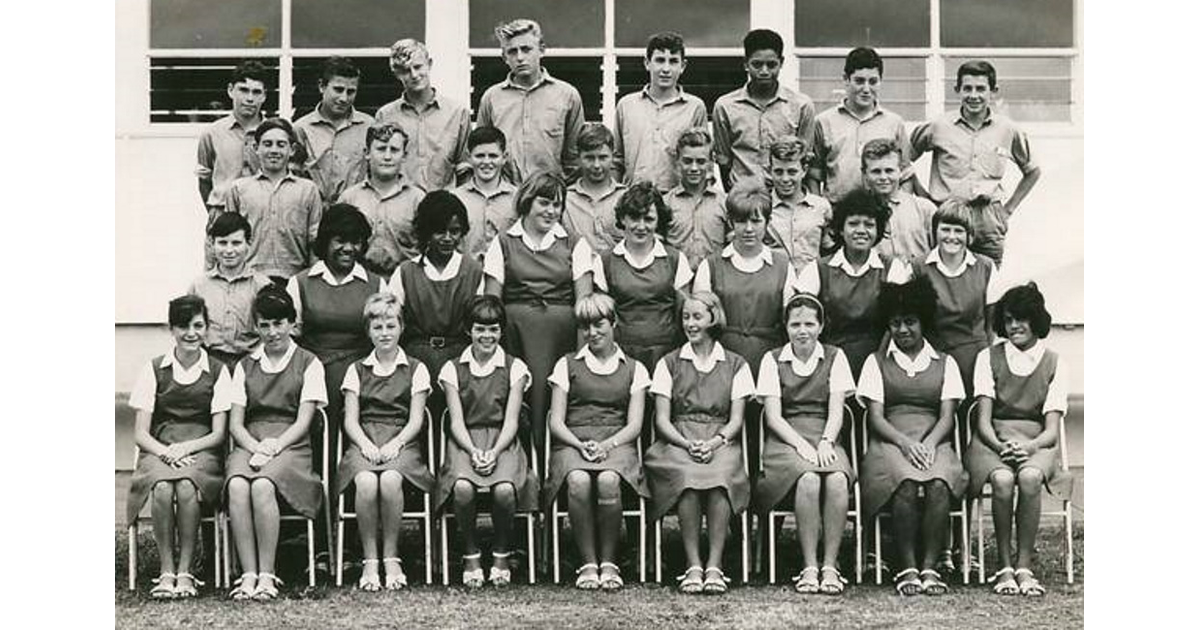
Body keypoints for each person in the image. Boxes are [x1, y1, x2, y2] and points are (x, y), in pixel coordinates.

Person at [857, 277, 968, 596]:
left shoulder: (945, 363)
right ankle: (906, 567)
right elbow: (875, 417)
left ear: (923, 322)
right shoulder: (875, 362)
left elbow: (947, 416)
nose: (903, 330)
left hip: (934, 437)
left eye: (910, 322)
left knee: (937, 482)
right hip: (890, 440)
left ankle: (930, 568)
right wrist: (906, 444)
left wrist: (929, 445)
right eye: (895, 323)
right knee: (904, 481)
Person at [965, 283, 1072, 597]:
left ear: (1036, 320)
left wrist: (1029, 447)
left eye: (1022, 319)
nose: (1014, 326)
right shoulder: (989, 357)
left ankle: (1024, 565)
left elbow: (1052, 429)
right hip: (992, 440)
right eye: (1009, 319)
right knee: (1000, 479)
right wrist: (1000, 447)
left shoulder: (1054, 363)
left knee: (1028, 477)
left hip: (1035, 441)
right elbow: (982, 420)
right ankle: (1004, 565)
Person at [643, 291, 753, 594]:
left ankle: (715, 565)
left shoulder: (736, 364)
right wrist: (686, 443)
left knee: (719, 478)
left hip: (720, 440)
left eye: (697, 317)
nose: (690, 324)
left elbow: (736, 420)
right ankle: (693, 565)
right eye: (686, 317)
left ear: (713, 318)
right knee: (687, 478)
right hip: (677, 441)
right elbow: (662, 419)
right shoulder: (669, 363)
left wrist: (716, 443)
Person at [224, 286, 328, 601]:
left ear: (291, 324)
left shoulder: (309, 362)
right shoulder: (244, 365)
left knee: (263, 485)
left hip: (290, 444)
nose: (272, 332)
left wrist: (275, 446)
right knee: (239, 485)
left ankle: (268, 574)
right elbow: (236, 425)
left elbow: (304, 420)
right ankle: (248, 573)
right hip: (251, 441)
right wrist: (255, 447)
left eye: (279, 323)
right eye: (265, 325)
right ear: (256, 326)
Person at [544, 294, 652, 590]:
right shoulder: (566, 365)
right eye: (586, 326)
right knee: (578, 480)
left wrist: (608, 445)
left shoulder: (634, 368)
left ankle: (609, 561)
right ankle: (588, 562)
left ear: (614, 323)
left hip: (616, 443)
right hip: (573, 442)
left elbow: (635, 424)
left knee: (607, 480)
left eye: (599, 324)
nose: (592, 333)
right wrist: (579, 445)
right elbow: (555, 421)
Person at [127, 296, 232, 598]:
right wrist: (165, 452)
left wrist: (185, 449)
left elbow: (219, 433)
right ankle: (166, 570)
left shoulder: (217, 370)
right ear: (170, 328)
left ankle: (186, 571)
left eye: (198, 326)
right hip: (160, 447)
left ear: (207, 329)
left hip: (201, 448)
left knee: (186, 487)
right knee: (161, 487)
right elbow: (140, 433)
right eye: (183, 326)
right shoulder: (154, 369)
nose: (191, 333)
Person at [483, 171, 595, 451]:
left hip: (561, 336)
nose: (551, 211)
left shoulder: (574, 243)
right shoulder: (504, 242)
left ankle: (553, 462)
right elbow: (491, 302)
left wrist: (581, 352)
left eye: (557, 205)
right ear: (527, 202)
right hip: (515, 335)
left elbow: (584, 302)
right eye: (544, 203)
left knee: (555, 398)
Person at [754, 294, 856, 595]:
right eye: (795, 323)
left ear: (821, 326)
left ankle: (830, 565)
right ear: (785, 327)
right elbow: (773, 417)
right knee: (808, 478)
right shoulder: (772, 359)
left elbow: (837, 411)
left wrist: (826, 442)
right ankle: (809, 566)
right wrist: (802, 446)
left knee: (837, 478)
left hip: (825, 433)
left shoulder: (835, 356)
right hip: (785, 438)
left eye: (809, 323)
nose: (802, 331)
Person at [434, 295, 540, 587]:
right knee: (463, 489)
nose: (487, 336)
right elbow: (455, 421)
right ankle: (470, 553)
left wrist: (493, 452)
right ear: (469, 330)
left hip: (503, 440)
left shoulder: (515, 367)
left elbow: (512, 420)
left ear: (501, 331)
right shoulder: (452, 369)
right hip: (465, 440)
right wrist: (472, 450)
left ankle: (502, 552)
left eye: (493, 329)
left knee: (505, 490)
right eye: (480, 329)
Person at [693, 179, 799, 470]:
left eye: (756, 220)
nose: (748, 229)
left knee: (764, 436)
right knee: (729, 437)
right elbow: (700, 323)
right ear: (731, 222)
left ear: (767, 221)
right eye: (741, 221)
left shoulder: (782, 265)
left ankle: (763, 508)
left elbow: (792, 319)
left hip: (768, 360)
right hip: (724, 362)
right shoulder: (712, 265)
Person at [334, 293, 436, 591]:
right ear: (368, 331)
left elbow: (417, 419)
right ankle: (369, 560)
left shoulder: (416, 368)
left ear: (401, 327)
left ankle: (391, 556)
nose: (385, 333)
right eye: (377, 327)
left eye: (390, 325)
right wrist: (364, 443)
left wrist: (397, 443)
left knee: (391, 479)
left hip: (401, 439)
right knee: (365, 482)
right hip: (365, 437)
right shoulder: (356, 370)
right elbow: (350, 418)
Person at [910, 60, 1041, 266]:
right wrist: (923, 197)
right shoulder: (938, 126)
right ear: (957, 90)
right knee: (943, 279)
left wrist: (1007, 210)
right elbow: (902, 160)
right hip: (948, 216)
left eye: (981, 89)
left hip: (988, 219)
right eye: (967, 88)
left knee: (987, 282)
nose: (974, 95)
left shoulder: (1007, 129)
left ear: (993, 91)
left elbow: (1032, 171)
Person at [796, 187, 907, 379]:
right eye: (853, 224)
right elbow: (801, 323)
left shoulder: (892, 269)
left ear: (878, 229)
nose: (861, 231)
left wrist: (878, 365)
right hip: (829, 367)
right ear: (840, 228)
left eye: (869, 225)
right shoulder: (817, 270)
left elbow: (898, 325)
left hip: (882, 365)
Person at [594, 181, 692, 377]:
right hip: (620, 355)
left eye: (648, 219)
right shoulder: (605, 260)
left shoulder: (675, 259)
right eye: (634, 218)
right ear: (623, 218)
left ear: (658, 221)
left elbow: (684, 313)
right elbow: (599, 318)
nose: (641, 226)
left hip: (666, 355)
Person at [390, 190, 485, 383]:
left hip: (461, 360)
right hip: (416, 361)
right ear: (426, 232)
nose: (448, 238)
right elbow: (391, 321)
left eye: (455, 231)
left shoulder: (473, 272)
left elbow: (480, 323)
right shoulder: (406, 272)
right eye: (440, 231)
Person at [477, 18, 584, 181]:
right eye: (512, 51)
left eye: (526, 49)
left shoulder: (567, 95)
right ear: (504, 57)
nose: (519, 57)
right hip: (505, 195)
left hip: (549, 197)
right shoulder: (492, 98)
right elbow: (481, 150)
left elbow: (574, 158)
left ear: (541, 50)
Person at [911, 198, 997, 398]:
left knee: (971, 413)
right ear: (935, 232)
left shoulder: (985, 267)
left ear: (970, 236)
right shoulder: (917, 268)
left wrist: (986, 360)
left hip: (973, 355)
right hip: (931, 355)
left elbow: (991, 322)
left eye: (959, 231)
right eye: (945, 229)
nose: (951, 236)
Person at [223, 118, 324, 283]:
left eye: (281, 144)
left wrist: (311, 282)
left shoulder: (308, 189)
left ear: (291, 150)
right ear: (256, 148)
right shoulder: (239, 189)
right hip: (249, 277)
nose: (274, 150)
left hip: (295, 278)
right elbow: (228, 239)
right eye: (268, 144)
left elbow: (314, 240)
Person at [713, 28, 816, 190]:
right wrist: (735, 196)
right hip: (742, 196)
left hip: (785, 197)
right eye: (757, 64)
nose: (764, 71)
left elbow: (805, 160)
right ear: (746, 63)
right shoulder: (725, 106)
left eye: (771, 65)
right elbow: (724, 161)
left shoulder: (801, 105)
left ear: (781, 62)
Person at [807, 47, 912, 203]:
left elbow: (905, 175)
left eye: (873, 82)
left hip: (882, 212)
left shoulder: (894, 123)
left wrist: (898, 209)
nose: (866, 89)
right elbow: (814, 175)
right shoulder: (824, 122)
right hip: (837, 212)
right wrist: (819, 210)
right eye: (859, 81)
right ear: (846, 79)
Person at [613, 31, 707, 192]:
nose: (666, 69)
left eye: (673, 62)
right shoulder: (626, 105)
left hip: (677, 201)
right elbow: (616, 160)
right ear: (647, 63)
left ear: (683, 66)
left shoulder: (695, 108)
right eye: (660, 60)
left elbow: (702, 160)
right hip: (633, 202)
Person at [375, 38, 471, 192]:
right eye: (405, 70)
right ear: (397, 74)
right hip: (399, 202)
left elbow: (465, 167)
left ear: (429, 64)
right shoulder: (385, 116)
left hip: (444, 205)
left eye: (418, 67)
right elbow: (379, 167)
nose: (414, 75)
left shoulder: (457, 113)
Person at [336, 122, 426, 277]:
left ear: (404, 155)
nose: (387, 156)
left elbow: (426, 248)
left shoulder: (417, 199)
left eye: (394, 150)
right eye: (381, 149)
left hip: (406, 282)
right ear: (367, 153)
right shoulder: (350, 198)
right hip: (360, 281)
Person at [188, 213, 273, 366]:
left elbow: (270, 329)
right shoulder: (199, 286)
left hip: (251, 362)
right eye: (222, 243)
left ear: (248, 244)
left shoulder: (262, 285)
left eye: (236, 243)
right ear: (212, 244)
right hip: (210, 361)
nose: (229, 250)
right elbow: (190, 327)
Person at [294, 56, 373, 204]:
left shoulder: (369, 126)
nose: (344, 98)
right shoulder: (301, 129)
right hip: (314, 212)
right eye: (338, 90)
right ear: (321, 86)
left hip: (357, 211)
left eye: (351, 92)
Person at [196, 60, 266, 216]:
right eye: (243, 90)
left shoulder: (273, 133)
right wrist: (216, 213)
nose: (249, 98)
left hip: (262, 215)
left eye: (256, 92)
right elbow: (204, 181)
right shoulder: (212, 133)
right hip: (223, 213)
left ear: (264, 96)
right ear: (230, 90)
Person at [763, 135, 833, 271]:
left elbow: (828, 251)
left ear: (804, 170)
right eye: (778, 172)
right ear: (770, 171)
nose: (785, 179)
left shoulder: (821, 207)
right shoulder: (762, 206)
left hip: (812, 285)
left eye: (792, 172)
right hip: (775, 284)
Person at [861, 138, 936, 263]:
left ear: (900, 171)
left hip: (919, 279)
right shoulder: (857, 212)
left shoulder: (925, 209)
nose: (883, 177)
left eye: (889, 171)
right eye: (876, 172)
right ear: (864, 174)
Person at [663, 127, 727, 269]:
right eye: (687, 161)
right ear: (678, 161)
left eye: (701, 161)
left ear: (711, 163)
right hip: (676, 281)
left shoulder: (724, 203)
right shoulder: (666, 203)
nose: (694, 168)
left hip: (714, 281)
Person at [454, 126, 519, 259]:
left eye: (493, 156)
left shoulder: (517, 198)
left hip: (506, 276)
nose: (486, 162)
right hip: (467, 275)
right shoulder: (455, 198)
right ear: (469, 157)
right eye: (480, 156)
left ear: (504, 157)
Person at [563, 123, 627, 254]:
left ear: (613, 156)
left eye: (603, 157)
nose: (596, 165)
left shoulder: (626, 197)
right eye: (589, 158)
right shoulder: (565, 199)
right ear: (579, 158)